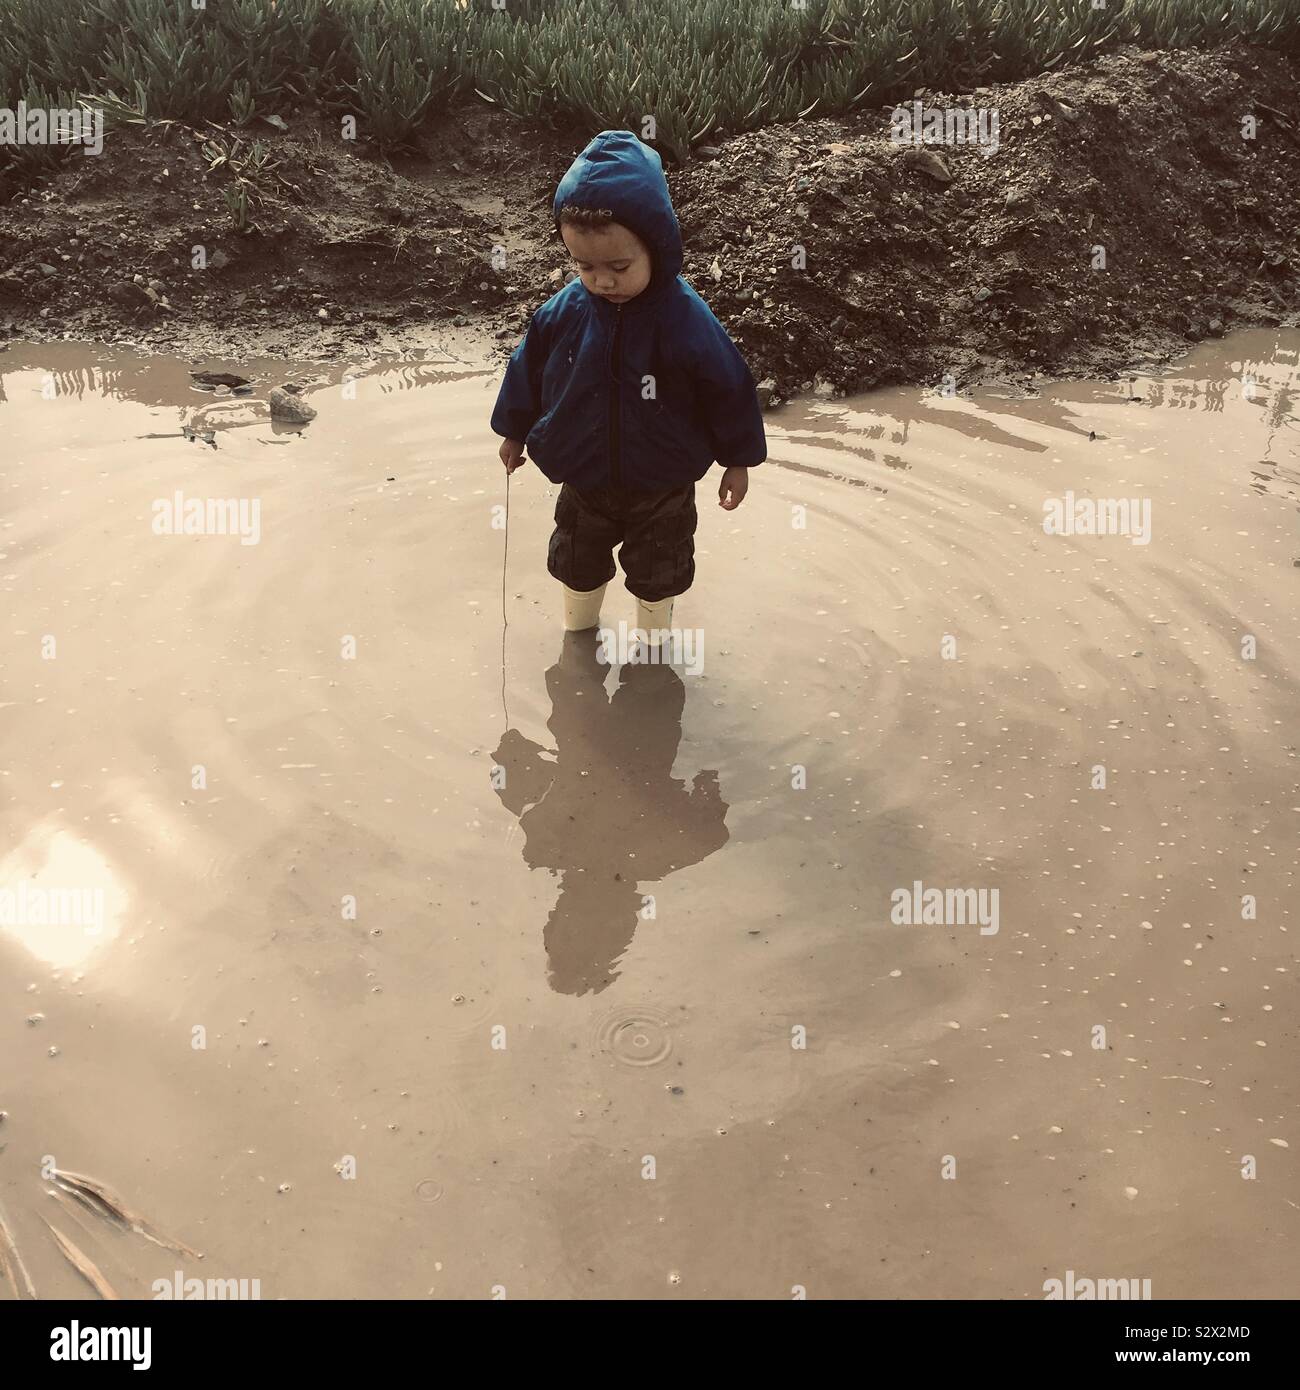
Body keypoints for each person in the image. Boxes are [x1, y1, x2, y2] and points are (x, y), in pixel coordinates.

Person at [490, 128, 767, 646]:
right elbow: (526, 369)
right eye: (584, 266)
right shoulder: (565, 312)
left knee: (660, 567)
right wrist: (513, 431)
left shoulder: (685, 318)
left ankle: (653, 649)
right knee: (575, 559)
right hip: (585, 476)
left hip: (662, 483)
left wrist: (738, 459)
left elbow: (729, 387)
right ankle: (579, 638)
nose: (603, 281)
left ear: (657, 247)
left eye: (619, 267)